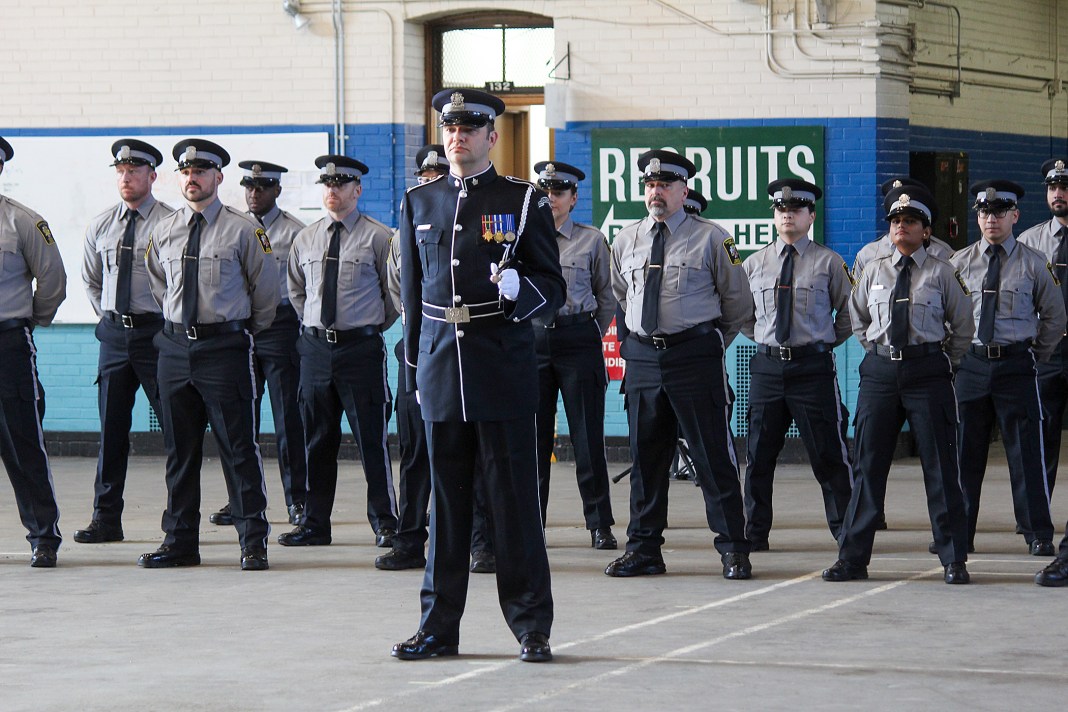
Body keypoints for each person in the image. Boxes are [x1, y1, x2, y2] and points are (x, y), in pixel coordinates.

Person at [393, 89, 564, 663]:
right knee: (445, 507)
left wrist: (522, 293)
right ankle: (438, 627)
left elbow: (553, 287)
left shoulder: (522, 201)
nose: (458, 135)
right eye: (450, 125)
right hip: (442, 366)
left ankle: (530, 626)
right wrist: (414, 370)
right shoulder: (420, 202)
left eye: (470, 126)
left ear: (493, 135)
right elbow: (413, 298)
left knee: (514, 504)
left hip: (501, 365)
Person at [606, 149, 755, 580]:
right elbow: (621, 294)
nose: (657, 192)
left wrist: (703, 343)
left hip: (693, 359)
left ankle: (733, 549)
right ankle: (644, 550)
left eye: (665, 185)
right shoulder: (626, 239)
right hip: (643, 360)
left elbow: (737, 303)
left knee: (712, 458)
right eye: (650, 185)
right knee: (646, 460)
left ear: (683, 190)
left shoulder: (712, 238)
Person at [822, 185, 973, 585]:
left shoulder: (943, 272)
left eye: (909, 221)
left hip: (928, 374)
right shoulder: (872, 271)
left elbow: (962, 327)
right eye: (895, 221)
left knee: (941, 467)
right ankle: (852, 558)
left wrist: (942, 361)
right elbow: (858, 321)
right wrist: (882, 353)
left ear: (925, 230)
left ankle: (953, 557)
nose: (900, 227)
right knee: (868, 466)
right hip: (882, 374)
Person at [140, 138, 278, 571]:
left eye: (201, 172)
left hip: (225, 348)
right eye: (185, 172)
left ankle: (252, 540)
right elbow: (157, 282)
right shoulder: (162, 230)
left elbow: (266, 295)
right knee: (180, 451)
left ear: (218, 177)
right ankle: (180, 540)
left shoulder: (244, 229)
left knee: (238, 448)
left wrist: (234, 330)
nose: (192, 179)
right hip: (175, 348)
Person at [375, 144, 496, 573]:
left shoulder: (479, 224)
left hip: (466, 350)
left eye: (438, 175)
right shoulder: (404, 228)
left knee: (477, 457)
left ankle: (482, 543)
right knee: (414, 454)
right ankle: (410, 540)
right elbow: (400, 290)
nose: (431, 182)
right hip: (421, 349)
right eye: (425, 175)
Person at [280, 154, 399, 551]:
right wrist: (316, 328)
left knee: (371, 440)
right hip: (315, 349)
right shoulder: (306, 237)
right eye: (327, 184)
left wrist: (366, 327)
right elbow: (297, 292)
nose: (332, 190)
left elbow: (393, 296)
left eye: (341, 184)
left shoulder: (380, 237)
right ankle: (315, 523)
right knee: (317, 439)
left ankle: (385, 521)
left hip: (360, 349)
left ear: (357, 190)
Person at [950, 180, 1063, 556]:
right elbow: (944, 316)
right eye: (984, 212)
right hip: (972, 365)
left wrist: (1035, 356)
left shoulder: (1033, 263)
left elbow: (1053, 316)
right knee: (965, 453)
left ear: (1015, 215)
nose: (991, 219)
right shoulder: (959, 263)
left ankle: (1038, 533)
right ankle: (959, 533)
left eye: (999, 212)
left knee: (1026, 452)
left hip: (1016, 363)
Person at [740, 178, 853, 551]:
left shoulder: (829, 262)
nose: (787, 214)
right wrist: (764, 340)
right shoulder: (754, 264)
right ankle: (754, 534)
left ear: (811, 215)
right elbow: (741, 314)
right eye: (780, 209)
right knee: (758, 458)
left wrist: (820, 343)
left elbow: (849, 313)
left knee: (829, 456)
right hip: (768, 369)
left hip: (812, 370)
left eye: (796, 209)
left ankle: (847, 533)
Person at [77, 139, 173, 544]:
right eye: (120, 170)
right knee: (111, 433)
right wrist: (113, 320)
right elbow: (91, 279)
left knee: (176, 432)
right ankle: (106, 519)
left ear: (152, 175)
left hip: (158, 335)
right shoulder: (101, 224)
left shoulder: (172, 223)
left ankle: (179, 522)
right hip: (115, 335)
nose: (126, 177)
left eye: (135, 170)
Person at [208, 160, 307, 528]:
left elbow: (303, 287)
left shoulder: (295, 233)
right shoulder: (232, 228)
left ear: (277, 190)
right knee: (238, 423)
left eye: (263, 187)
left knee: (287, 420)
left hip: (280, 329)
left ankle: (298, 500)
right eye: (249, 186)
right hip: (239, 330)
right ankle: (241, 500)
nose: (254, 193)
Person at [531, 159, 616, 549]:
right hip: (532, 343)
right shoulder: (523, 237)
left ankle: (599, 525)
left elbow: (606, 296)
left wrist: (587, 331)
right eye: (545, 190)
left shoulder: (592, 240)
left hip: (577, 339)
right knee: (532, 441)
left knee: (586, 438)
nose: (551, 197)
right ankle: (533, 525)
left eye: (559, 191)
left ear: (573, 198)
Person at [0, 135, 67, 567]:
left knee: (24, 444)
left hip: (7, 343)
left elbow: (52, 281)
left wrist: (26, 320)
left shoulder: (21, 221)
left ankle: (43, 536)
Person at [1018, 158, 1068, 501]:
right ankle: (1038, 512)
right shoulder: (1030, 241)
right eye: (1053, 187)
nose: (1058, 194)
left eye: (1064, 187)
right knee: (1041, 433)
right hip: (1048, 351)